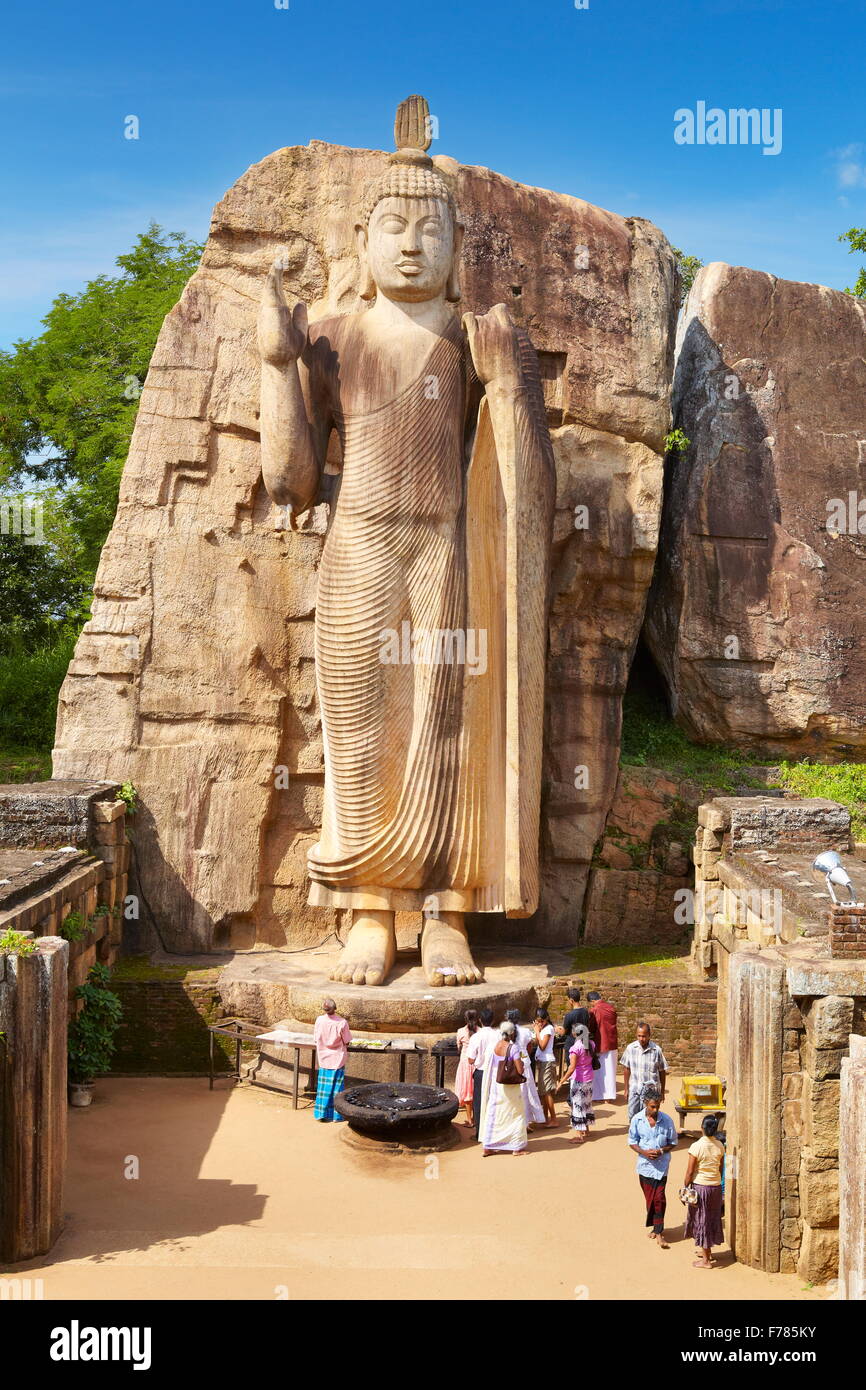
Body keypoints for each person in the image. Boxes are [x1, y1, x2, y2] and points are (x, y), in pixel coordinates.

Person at [628, 1085, 678, 1247]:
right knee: (650, 1199)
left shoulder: (667, 1120)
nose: (655, 1110)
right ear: (645, 1104)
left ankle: (659, 1232)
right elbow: (632, 1142)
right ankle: (656, 1228)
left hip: (661, 1167)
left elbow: (673, 1142)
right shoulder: (637, 1120)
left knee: (659, 1198)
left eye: (658, 1106)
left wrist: (662, 1150)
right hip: (644, 1166)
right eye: (652, 1106)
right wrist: (644, 1152)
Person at [479, 1020, 528, 1156]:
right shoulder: (513, 1048)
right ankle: (516, 1147)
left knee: (495, 1114)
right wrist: (522, 1065)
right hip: (510, 1087)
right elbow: (519, 1069)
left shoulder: (495, 1046)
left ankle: (488, 1146)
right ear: (512, 1033)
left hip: (497, 1085)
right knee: (516, 1114)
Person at [682, 1114, 726, 1268]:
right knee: (712, 1217)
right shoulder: (720, 1145)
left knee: (702, 1220)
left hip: (701, 1187)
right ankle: (707, 1251)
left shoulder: (697, 1146)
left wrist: (685, 1188)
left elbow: (689, 1171)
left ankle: (705, 1260)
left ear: (702, 1128)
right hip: (715, 1187)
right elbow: (720, 1168)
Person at [560, 1007, 596, 1142]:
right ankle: (586, 1130)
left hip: (579, 1080)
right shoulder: (591, 1044)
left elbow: (571, 1068)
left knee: (577, 1106)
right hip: (589, 1078)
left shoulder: (575, 1048)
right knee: (586, 1103)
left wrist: (561, 1081)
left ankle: (579, 1135)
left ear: (575, 1034)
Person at [312, 998, 352, 1122]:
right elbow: (347, 1040)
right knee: (337, 1088)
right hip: (337, 1059)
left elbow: (315, 1038)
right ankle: (336, 1116)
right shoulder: (342, 1023)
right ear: (335, 1008)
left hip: (323, 1059)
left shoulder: (319, 1020)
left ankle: (321, 1114)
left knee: (323, 1089)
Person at [620, 1021, 669, 1119]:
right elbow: (627, 1068)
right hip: (634, 1089)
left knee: (649, 1117)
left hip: (651, 1092)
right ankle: (634, 1134)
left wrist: (662, 1092)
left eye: (644, 1036)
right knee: (632, 1116)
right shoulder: (630, 1048)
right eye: (639, 1036)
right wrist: (626, 1089)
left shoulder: (656, 1050)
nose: (641, 1039)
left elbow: (662, 1071)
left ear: (649, 1035)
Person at [506, 1008, 545, 1128]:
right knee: (526, 1092)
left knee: (513, 1093)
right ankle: (526, 1121)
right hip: (524, 1062)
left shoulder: (505, 1031)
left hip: (511, 1063)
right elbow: (529, 1046)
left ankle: (515, 1121)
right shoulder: (525, 1031)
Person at [467, 1008, 498, 1139]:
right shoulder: (498, 1035)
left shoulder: (476, 1037)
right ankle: (494, 1132)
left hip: (481, 1072)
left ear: (480, 1021)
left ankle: (480, 1132)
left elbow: (470, 1059)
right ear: (493, 1020)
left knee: (479, 1103)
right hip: (496, 1072)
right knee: (495, 1101)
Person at [587, 990, 618, 1104]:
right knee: (610, 1070)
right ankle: (608, 1096)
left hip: (601, 1042)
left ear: (592, 1001)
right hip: (612, 1042)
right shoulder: (611, 1008)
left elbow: (591, 1027)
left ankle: (600, 1095)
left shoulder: (595, 1010)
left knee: (600, 1071)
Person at [532, 1007, 559, 1127]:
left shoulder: (548, 1029)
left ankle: (553, 1119)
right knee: (543, 1092)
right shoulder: (544, 1028)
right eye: (538, 1021)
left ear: (546, 1019)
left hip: (547, 1062)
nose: (539, 1023)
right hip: (542, 1061)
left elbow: (542, 1046)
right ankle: (545, 1117)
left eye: (541, 1021)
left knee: (547, 1091)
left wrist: (537, 1032)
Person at [454, 1009, 479, 1127]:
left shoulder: (460, 1031)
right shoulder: (481, 1031)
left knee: (467, 1090)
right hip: (478, 1063)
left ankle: (469, 1120)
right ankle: (476, 1118)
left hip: (465, 1063)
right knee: (476, 1091)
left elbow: (458, 1047)